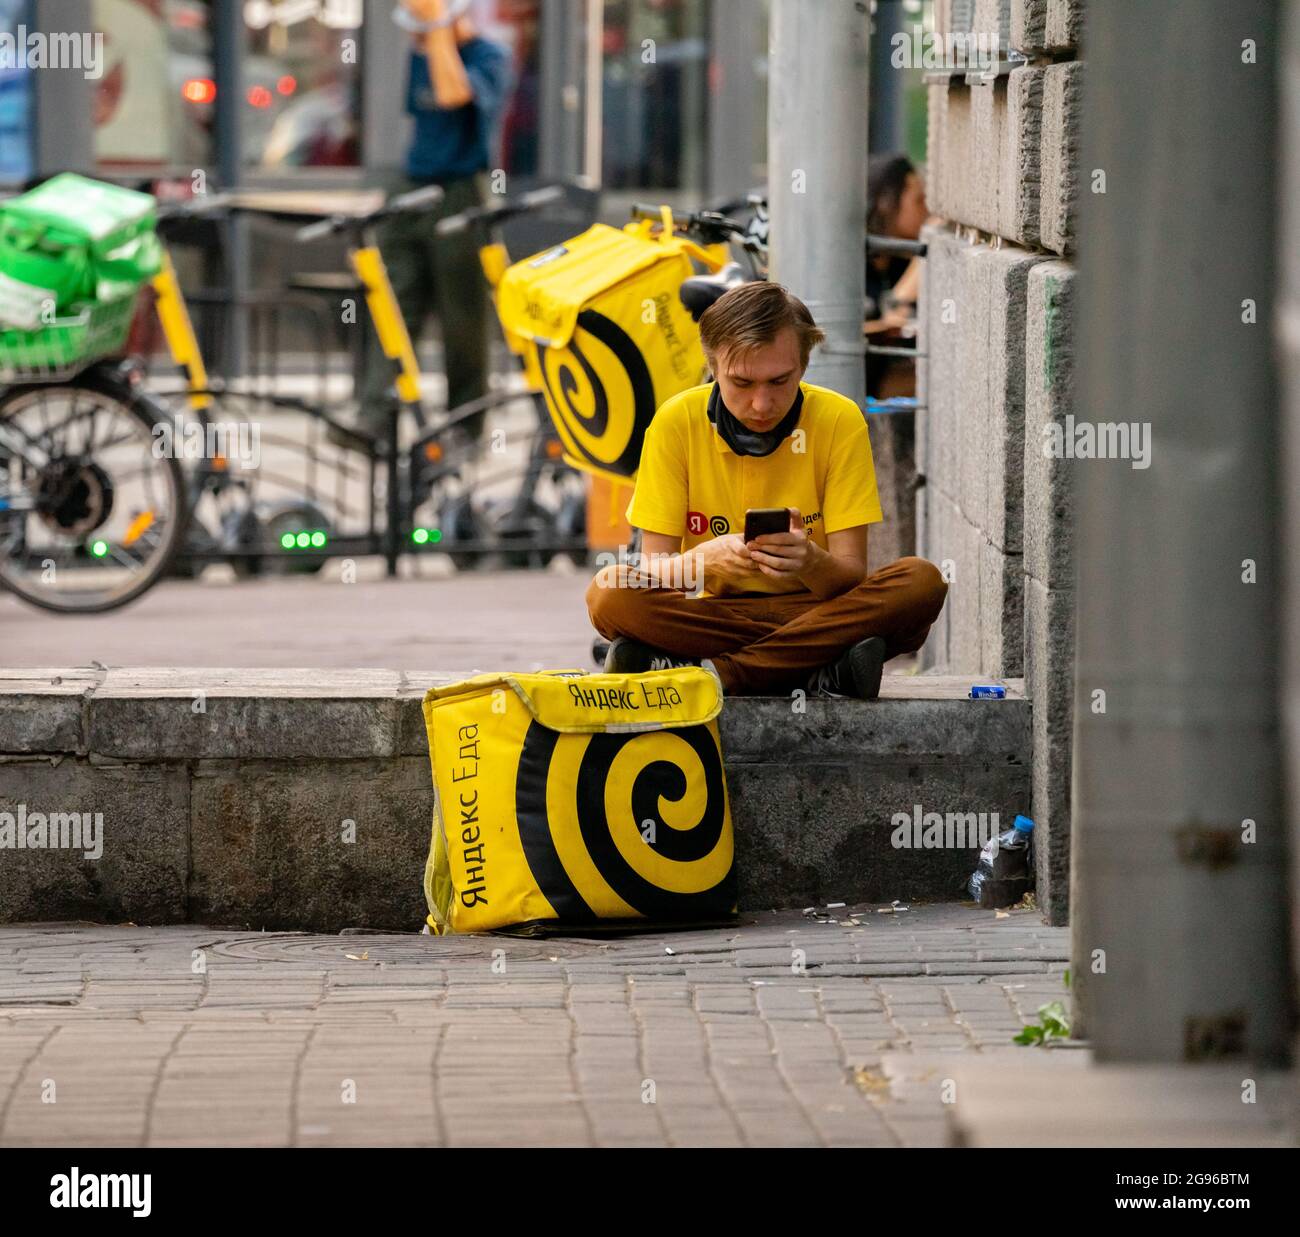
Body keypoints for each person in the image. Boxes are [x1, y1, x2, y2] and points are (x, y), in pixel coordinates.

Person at [585, 281, 948, 699]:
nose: (761, 404)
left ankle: (717, 673)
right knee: (609, 591)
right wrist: (702, 562)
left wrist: (810, 562)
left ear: (804, 367)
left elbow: (850, 577)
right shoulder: (675, 423)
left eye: (780, 381)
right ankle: (817, 669)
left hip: (816, 610)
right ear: (713, 367)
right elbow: (655, 569)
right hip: (727, 617)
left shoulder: (838, 420)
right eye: (741, 383)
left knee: (922, 581)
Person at [355, 0, 512, 443]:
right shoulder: (421, 50)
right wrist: (430, 31)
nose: (415, 35)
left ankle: (465, 428)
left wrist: (438, 24)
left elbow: (451, 94)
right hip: (413, 186)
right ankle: (375, 420)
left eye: (420, 22)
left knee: (461, 316)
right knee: (392, 303)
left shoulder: (491, 56)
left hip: (462, 190)